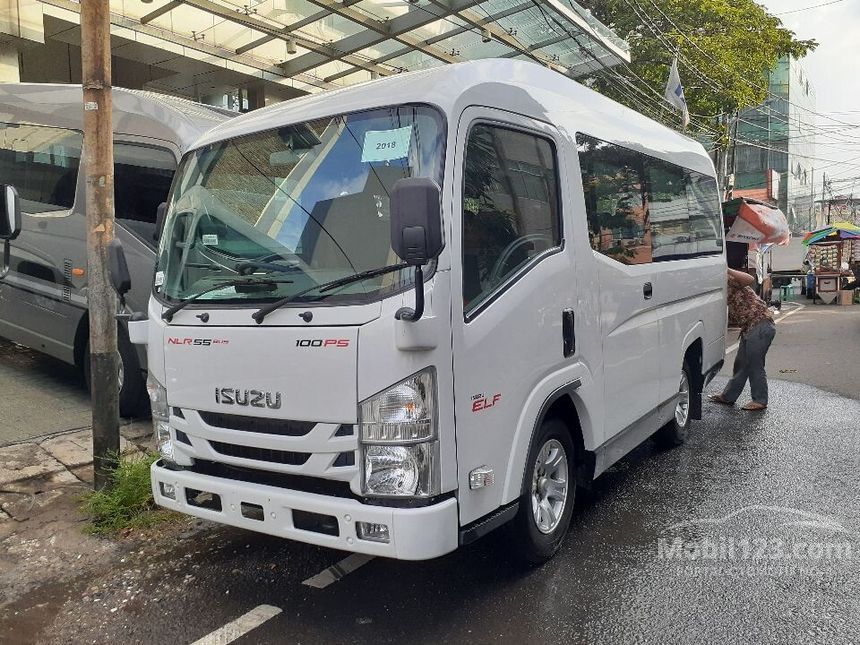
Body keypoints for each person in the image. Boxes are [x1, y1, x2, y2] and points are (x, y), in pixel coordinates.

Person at [709, 268, 776, 411]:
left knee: (754, 364)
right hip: (750, 328)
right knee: (741, 364)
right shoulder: (716, 288)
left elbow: (749, 279)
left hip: (760, 323)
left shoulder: (728, 279)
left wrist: (726, 268)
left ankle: (760, 400)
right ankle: (728, 396)